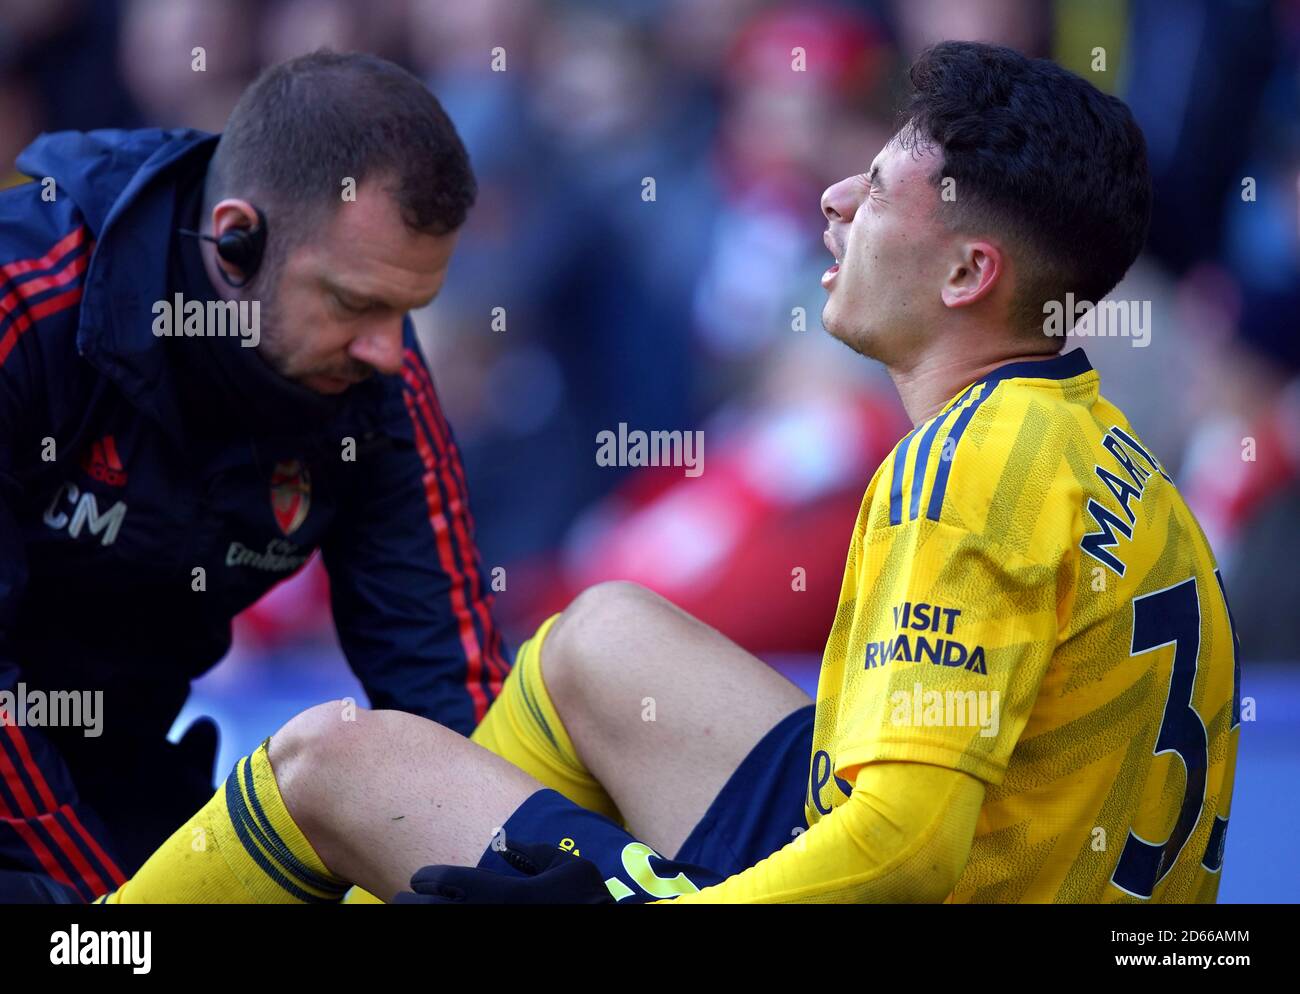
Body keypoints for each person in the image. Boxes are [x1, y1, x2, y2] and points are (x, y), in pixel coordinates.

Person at [98, 41, 1239, 905]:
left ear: (966, 273)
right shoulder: (1114, 458)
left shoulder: (964, 470)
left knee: (332, 761)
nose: (834, 199)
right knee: (599, 639)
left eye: (878, 187)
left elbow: (905, 844)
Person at [0, 51, 508, 901]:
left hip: (119, 775)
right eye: (353, 303)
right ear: (236, 241)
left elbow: (451, 690)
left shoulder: (374, 376)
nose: (388, 349)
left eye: (406, 311)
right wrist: (111, 920)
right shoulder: (22, 305)